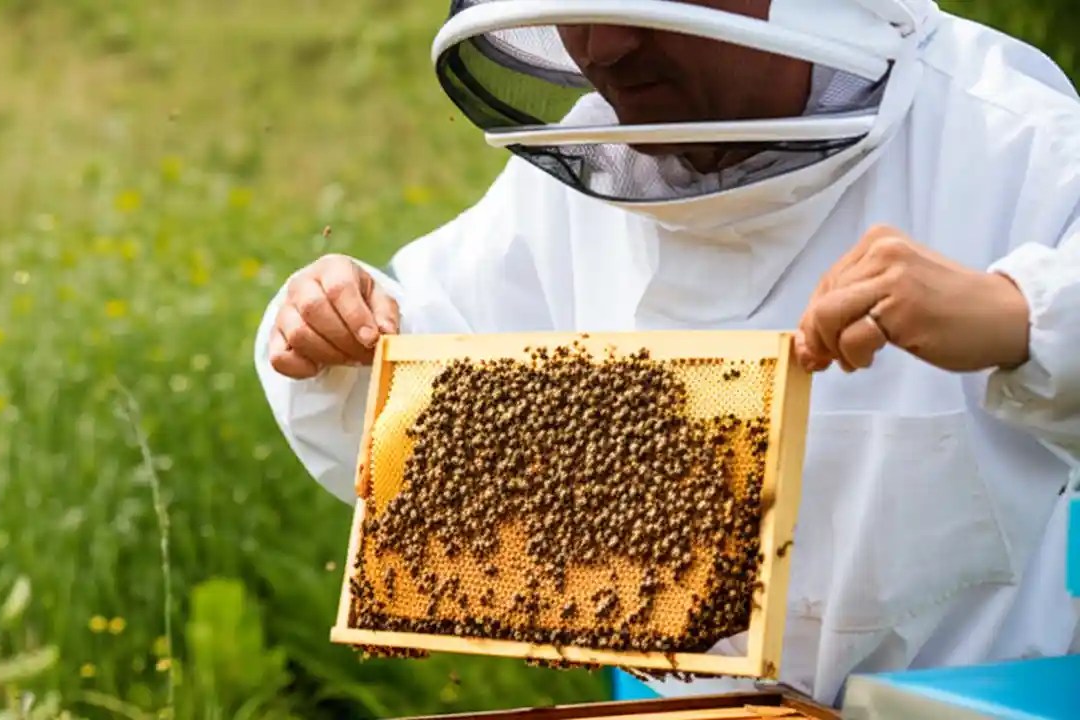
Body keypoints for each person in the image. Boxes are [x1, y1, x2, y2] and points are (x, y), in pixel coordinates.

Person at [253, 0, 1080, 707]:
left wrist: (1020, 317)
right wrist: (338, 326)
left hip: (979, 707)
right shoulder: (588, 163)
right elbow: (428, 363)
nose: (604, 46)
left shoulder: (1007, 139)